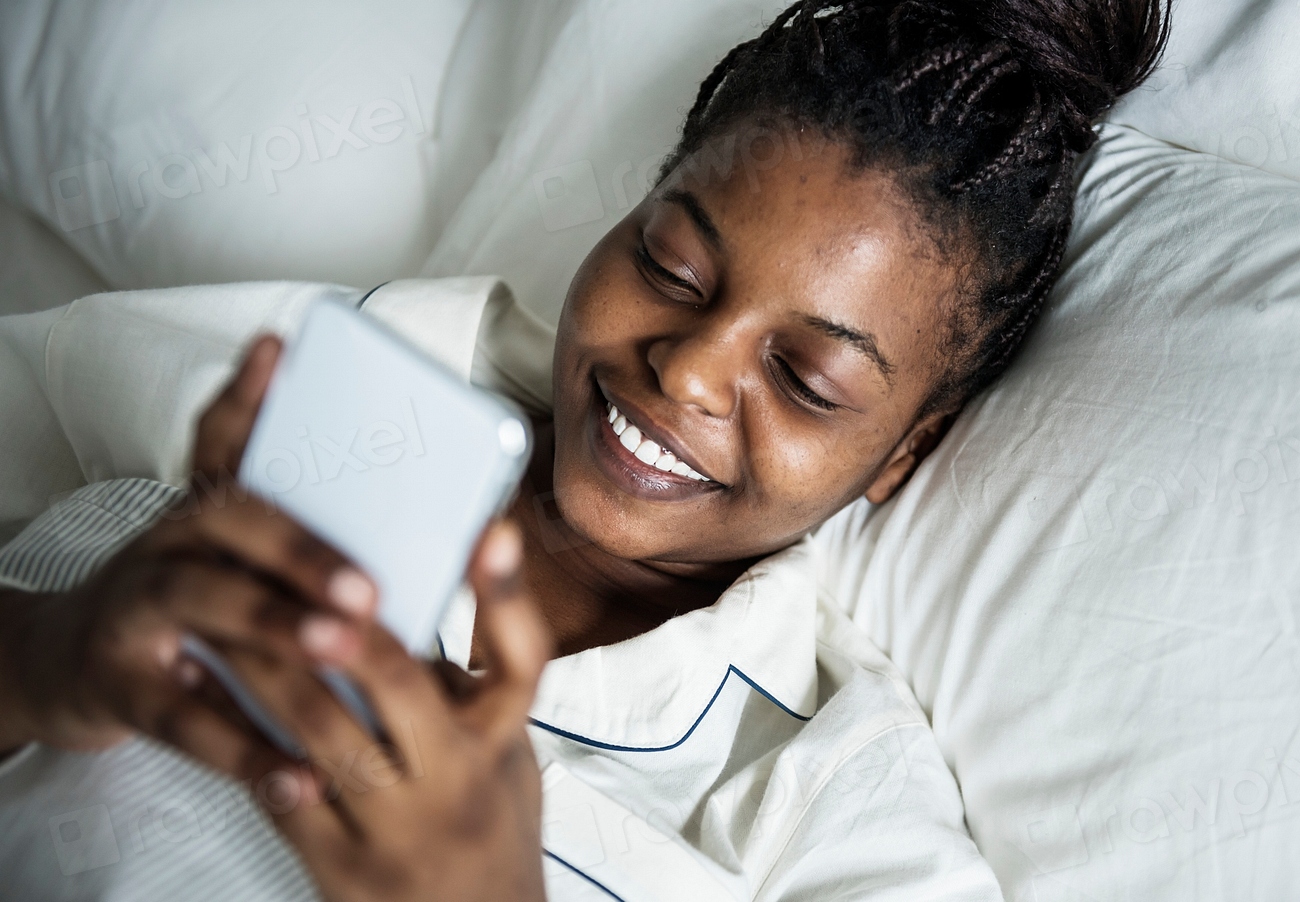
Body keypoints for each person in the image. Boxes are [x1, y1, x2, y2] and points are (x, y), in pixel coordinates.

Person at [0, 1, 1170, 899]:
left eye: (806, 380)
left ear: (903, 452)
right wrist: (47, 657)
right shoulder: (287, 386)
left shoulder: (820, 803)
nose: (690, 369)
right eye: (670, 267)